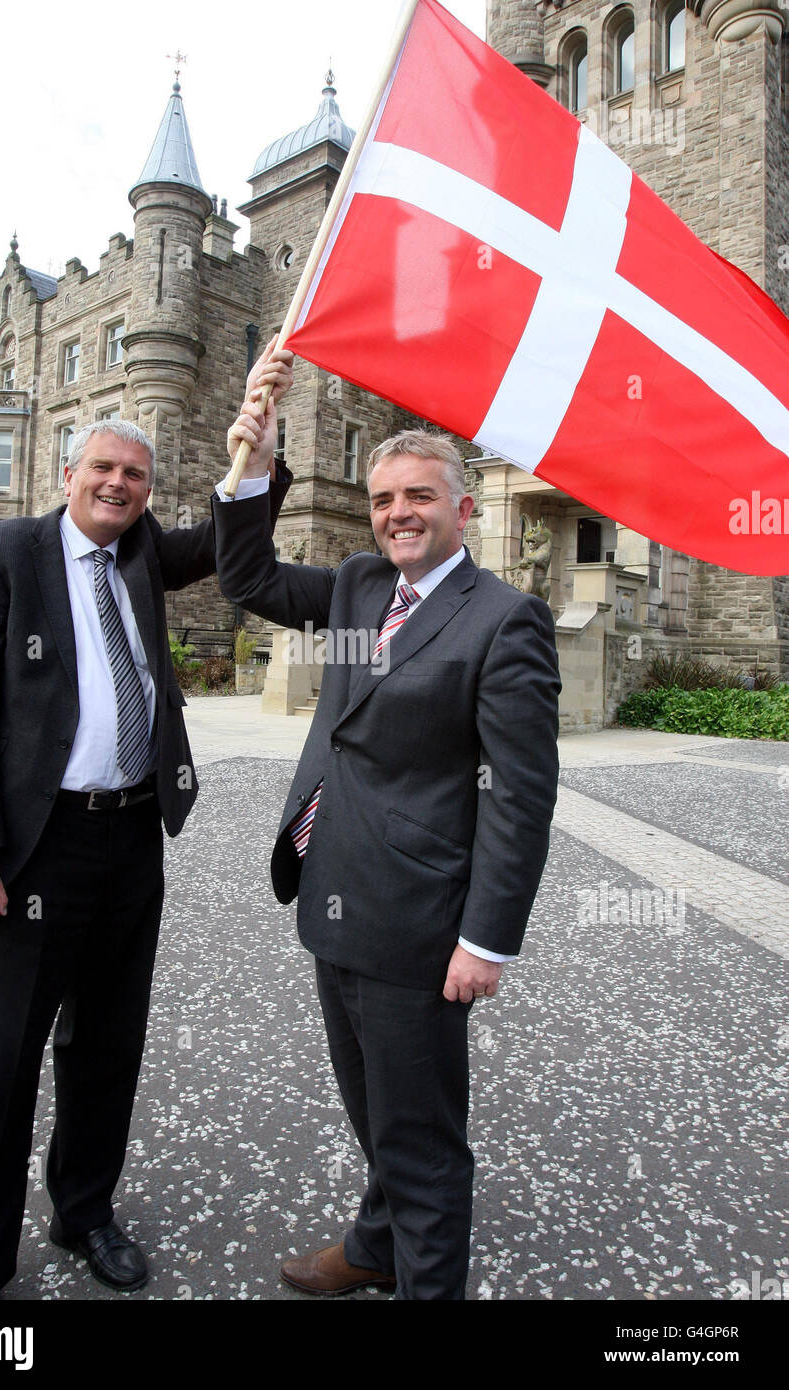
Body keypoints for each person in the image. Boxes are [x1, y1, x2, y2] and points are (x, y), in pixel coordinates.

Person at [0, 349, 293, 1299]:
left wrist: (252, 444)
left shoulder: (139, 554)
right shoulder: (3, 555)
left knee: (106, 1045)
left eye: (134, 475)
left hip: (131, 836)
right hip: (31, 847)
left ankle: (85, 1212)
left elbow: (223, 538)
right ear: (68, 476)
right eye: (103, 470)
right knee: (0, 1053)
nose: (119, 486)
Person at [213, 383, 560, 1300]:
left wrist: (485, 938)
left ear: (463, 507)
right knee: (373, 1110)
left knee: (420, 1140)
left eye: (418, 496)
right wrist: (256, 463)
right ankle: (374, 1246)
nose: (397, 513)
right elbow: (248, 581)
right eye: (382, 499)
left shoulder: (502, 618)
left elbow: (521, 795)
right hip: (333, 892)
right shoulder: (363, 585)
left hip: (419, 919)